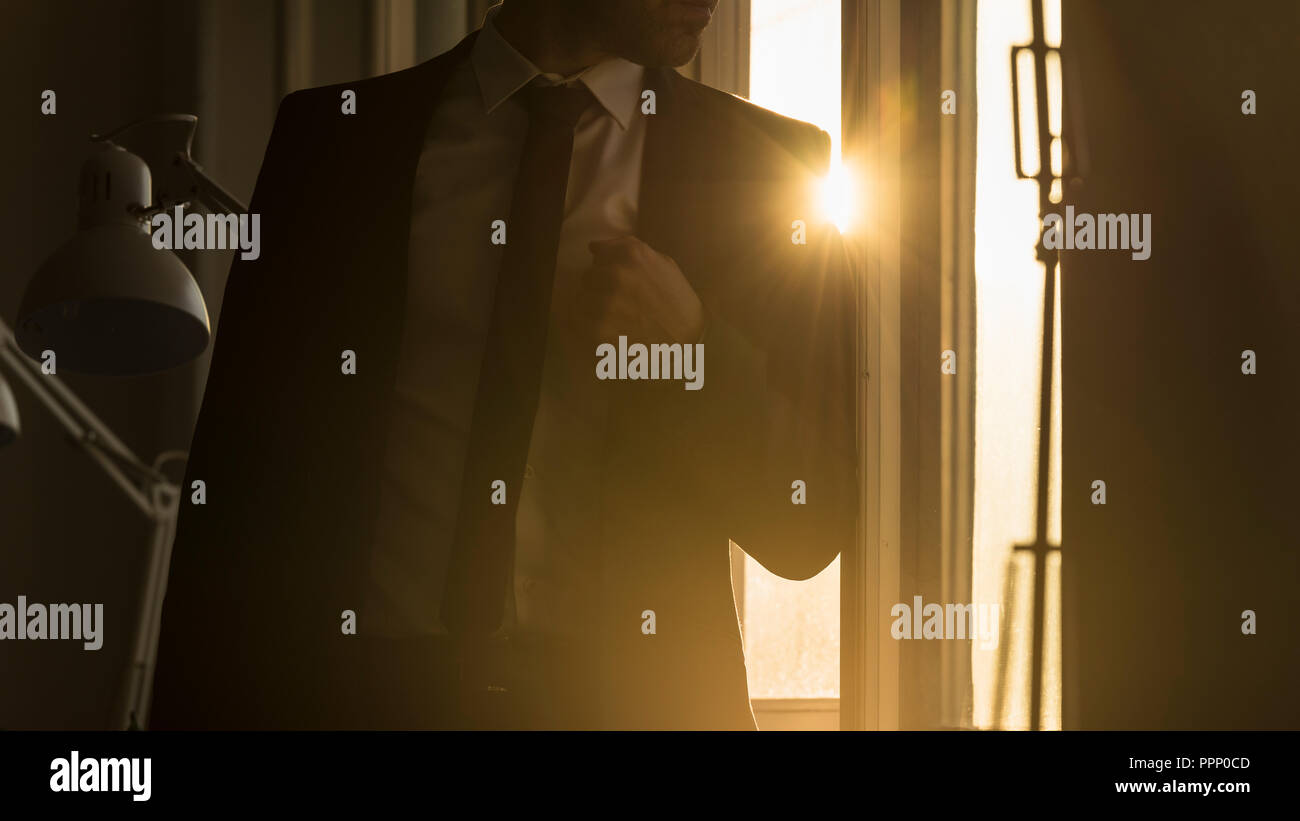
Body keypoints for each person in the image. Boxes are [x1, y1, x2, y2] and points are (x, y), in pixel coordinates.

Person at [151, 0, 856, 730]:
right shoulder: (334, 144)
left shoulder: (771, 168)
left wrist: (691, 352)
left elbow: (806, 526)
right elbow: (231, 498)